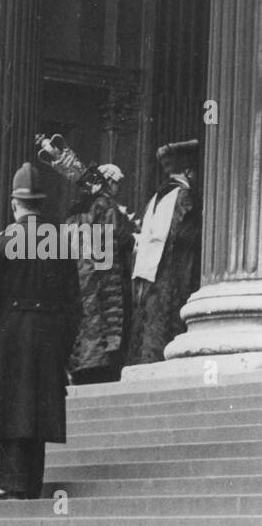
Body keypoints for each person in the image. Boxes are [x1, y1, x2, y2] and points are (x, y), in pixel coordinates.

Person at [0, 162, 81, 501]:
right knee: (37, 406)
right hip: (47, 335)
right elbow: (74, 302)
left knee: (9, 405)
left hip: (9, 334)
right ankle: (31, 482)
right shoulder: (60, 241)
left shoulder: (4, 240)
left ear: (14, 203)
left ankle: (8, 481)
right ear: (42, 204)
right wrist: (63, 344)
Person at [128, 140, 201, 364]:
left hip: (148, 277)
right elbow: (188, 238)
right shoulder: (185, 197)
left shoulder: (155, 198)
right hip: (171, 276)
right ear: (189, 170)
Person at [67, 163, 134, 384]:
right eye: (117, 183)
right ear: (110, 183)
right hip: (100, 283)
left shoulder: (74, 212)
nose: (118, 189)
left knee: (82, 334)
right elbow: (109, 255)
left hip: (77, 282)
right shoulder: (106, 208)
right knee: (100, 342)